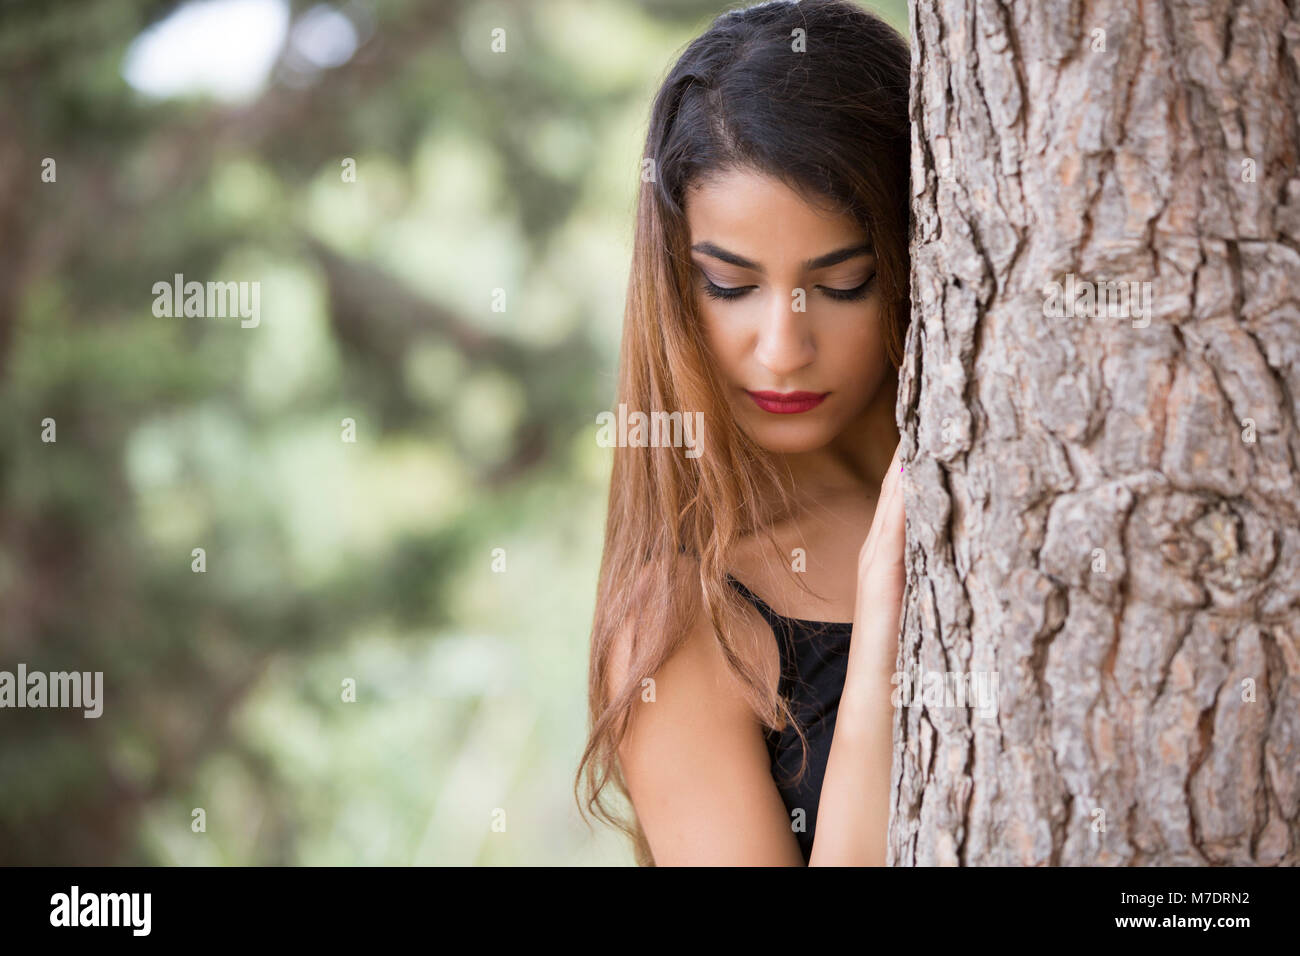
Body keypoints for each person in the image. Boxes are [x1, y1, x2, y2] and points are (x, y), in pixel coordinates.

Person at [576, 0, 911, 865]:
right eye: (730, 286)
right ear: (676, 286)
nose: (784, 348)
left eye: (844, 284)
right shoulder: (683, 621)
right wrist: (880, 642)